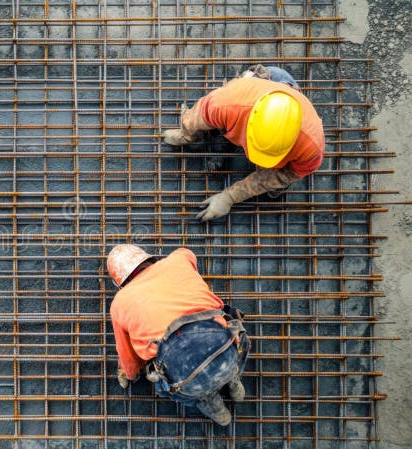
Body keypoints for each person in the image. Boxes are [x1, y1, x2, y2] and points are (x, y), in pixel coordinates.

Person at [107, 244, 251, 426]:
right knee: (230, 341)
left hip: (187, 379)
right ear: (147, 259)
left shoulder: (119, 304)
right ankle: (233, 380)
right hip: (226, 350)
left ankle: (214, 407)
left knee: (170, 386)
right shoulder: (179, 259)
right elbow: (188, 254)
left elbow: (128, 357)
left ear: (121, 284)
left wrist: (129, 374)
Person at [162, 65, 325, 221]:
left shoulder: (312, 147)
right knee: (217, 125)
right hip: (261, 86)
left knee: (275, 182)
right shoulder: (226, 104)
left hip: (284, 92)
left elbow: (284, 174)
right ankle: (221, 136)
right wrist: (186, 134)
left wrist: (230, 196)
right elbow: (197, 117)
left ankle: (228, 141)